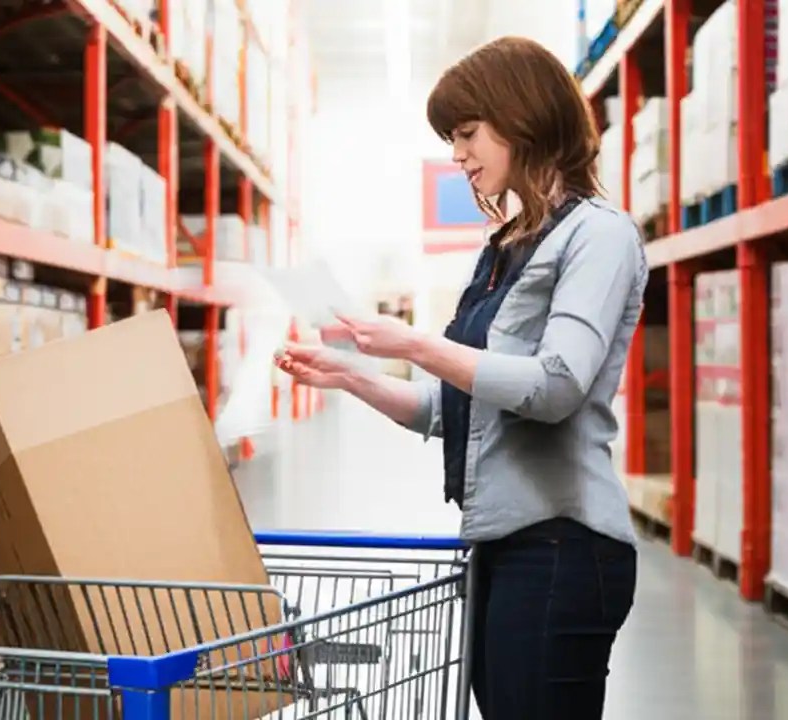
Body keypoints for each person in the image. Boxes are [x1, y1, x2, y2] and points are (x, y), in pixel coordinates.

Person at [275, 36, 647, 719]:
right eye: (452, 137)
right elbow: (460, 407)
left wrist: (415, 343)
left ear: (522, 117)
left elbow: (556, 386)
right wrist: (353, 376)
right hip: (501, 546)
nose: (457, 154)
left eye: (467, 133)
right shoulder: (506, 246)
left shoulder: (601, 237)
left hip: (564, 546)